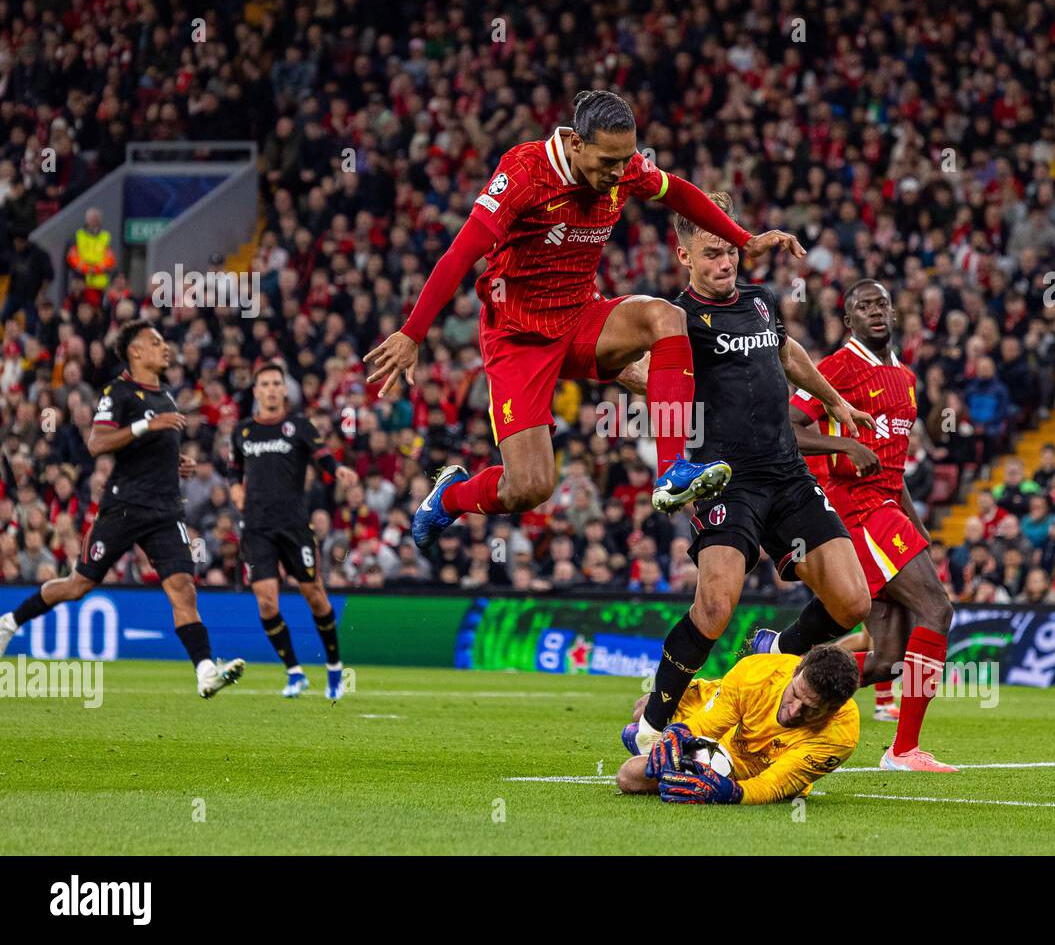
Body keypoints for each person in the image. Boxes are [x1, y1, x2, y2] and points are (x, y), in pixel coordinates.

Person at [363, 90, 805, 550]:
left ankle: (672, 470)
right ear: (575, 142)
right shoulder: (525, 173)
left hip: (581, 317)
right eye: (608, 162)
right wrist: (413, 333)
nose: (619, 172)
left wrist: (742, 238)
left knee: (665, 317)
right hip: (518, 337)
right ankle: (451, 498)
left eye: (626, 160)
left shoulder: (624, 166)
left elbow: (678, 192)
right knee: (530, 487)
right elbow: (460, 254)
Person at [618, 191, 874, 754]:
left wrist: (835, 403)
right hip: (726, 481)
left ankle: (776, 651)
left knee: (853, 604)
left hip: (788, 475)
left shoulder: (760, 300)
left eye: (730, 250)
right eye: (711, 253)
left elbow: (787, 355)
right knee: (712, 608)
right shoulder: (677, 319)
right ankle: (652, 728)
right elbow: (636, 370)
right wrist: (656, 388)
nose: (725, 262)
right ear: (684, 257)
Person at [758, 279, 958, 772]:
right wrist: (846, 445)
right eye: (863, 306)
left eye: (882, 304)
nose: (875, 312)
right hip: (857, 510)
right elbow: (788, 429)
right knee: (936, 608)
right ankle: (904, 749)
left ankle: (784, 682)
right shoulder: (837, 367)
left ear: (893, 312)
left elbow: (892, 464)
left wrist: (916, 521)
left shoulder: (906, 378)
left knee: (888, 658)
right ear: (849, 320)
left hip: (888, 508)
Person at [0, 320, 245, 697]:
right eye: (155, 341)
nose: (165, 347)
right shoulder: (120, 391)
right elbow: (98, 442)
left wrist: (172, 460)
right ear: (136, 351)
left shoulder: (165, 395)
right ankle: (10, 623)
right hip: (125, 507)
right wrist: (149, 425)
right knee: (78, 585)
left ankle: (206, 671)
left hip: (165, 511)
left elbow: (145, 447)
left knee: (183, 588)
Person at [230, 362, 358, 699]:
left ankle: (333, 667)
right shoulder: (242, 431)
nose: (271, 389)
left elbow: (322, 456)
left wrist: (339, 470)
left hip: (293, 526)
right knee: (267, 603)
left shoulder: (298, 426)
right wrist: (234, 488)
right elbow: (232, 470)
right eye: (265, 384)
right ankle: (294, 673)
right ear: (256, 391)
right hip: (256, 528)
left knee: (314, 595)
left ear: (284, 390)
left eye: (276, 383)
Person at [616, 646, 861, 805]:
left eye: (812, 709)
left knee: (629, 777)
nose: (794, 711)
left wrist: (729, 793)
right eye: (795, 693)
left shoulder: (840, 735)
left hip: (750, 768)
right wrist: (677, 734)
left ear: (834, 709)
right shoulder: (758, 671)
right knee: (645, 708)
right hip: (728, 724)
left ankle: (662, 755)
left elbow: (772, 784)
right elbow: (709, 724)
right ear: (796, 671)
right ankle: (659, 750)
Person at [65, 207, 117, 306]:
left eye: (96, 218)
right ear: (86, 220)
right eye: (92, 218)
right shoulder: (78, 235)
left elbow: (110, 258)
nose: (94, 220)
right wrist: (87, 269)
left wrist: (96, 269)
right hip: (81, 283)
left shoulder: (106, 236)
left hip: (101, 283)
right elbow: (72, 257)